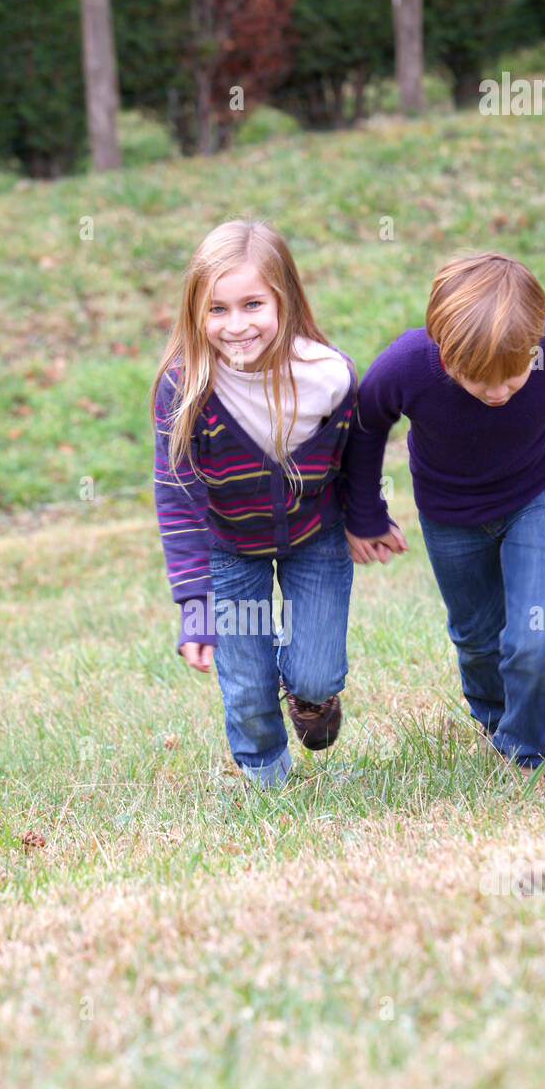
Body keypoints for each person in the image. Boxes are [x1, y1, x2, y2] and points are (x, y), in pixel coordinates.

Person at [343, 251, 545, 768]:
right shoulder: (409, 365)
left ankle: (530, 754)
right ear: (445, 351)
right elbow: (365, 422)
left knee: (538, 643)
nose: (497, 393)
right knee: (478, 641)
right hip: (452, 517)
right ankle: (499, 721)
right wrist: (364, 513)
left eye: (513, 377)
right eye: (479, 380)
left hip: (543, 494)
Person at [152, 218, 404, 787]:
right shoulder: (187, 386)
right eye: (216, 309)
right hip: (229, 547)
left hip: (315, 537)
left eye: (252, 304)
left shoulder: (328, 376)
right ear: (195, 312)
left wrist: (364, 519)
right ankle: (266, 775)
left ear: (284, 299)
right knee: (247, 683)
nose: (235, 325)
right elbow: (178, 494)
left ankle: (313, 702)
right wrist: (196, 604)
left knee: (315, 673)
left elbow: (354, 458)